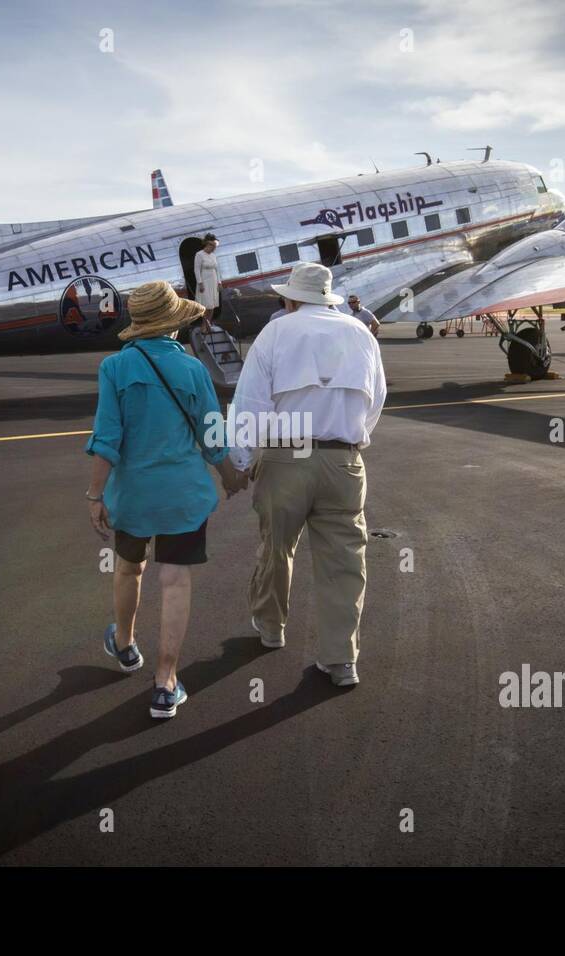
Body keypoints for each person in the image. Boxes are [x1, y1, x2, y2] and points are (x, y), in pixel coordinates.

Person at [86, 280, 247, 718]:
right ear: (175, 324)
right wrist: (231, 476)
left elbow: (106, 439)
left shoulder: (114, 368)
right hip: (182, 496)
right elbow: (213, 436)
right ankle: (165, 682)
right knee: (174, 579)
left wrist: (94, 495)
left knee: (128, 568)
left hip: (132, 496)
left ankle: (124, 646)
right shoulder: (194, 370)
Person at [229, 262, 386, 688]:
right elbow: (376, 400)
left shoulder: (276, 332)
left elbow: (252, 403)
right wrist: (351, 441)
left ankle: (270, 627)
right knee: (345, 561)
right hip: (344, 460)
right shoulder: (360, 334)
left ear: (291, 298)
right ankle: (341, 659)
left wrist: (240, 460)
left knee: (276, 546)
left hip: (286, 458)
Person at [193, 233, 222, 323]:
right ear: (208, 244)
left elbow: (217, 270)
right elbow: (196, 269)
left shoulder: (213, 255)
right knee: (207, 305)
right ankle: (204, 325)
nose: (214, 248)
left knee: (212, 305)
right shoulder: (199, 254)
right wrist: (200, 283)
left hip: (213, 282)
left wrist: (219, 283)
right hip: (205, 282)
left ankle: (208, 323)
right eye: (213, 246)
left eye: (215, 246)